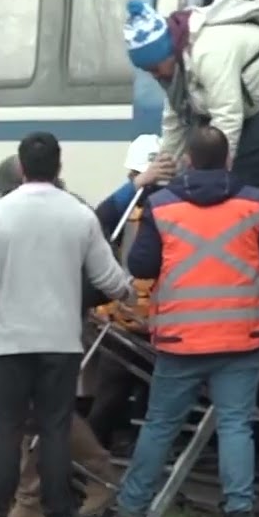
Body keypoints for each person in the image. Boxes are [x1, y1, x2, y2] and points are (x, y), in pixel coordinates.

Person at [101, 126, 259, 517]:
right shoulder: (254, 202)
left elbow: (142, 266)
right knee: (236, 426)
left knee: (160, 425)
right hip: (241, 337)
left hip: (181, 338)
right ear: (227, 161)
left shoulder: (162, 206)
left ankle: (130, 515)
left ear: (186, 161)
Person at [0, 133, 135, 517]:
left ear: (21, 168)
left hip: (8, 345)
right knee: (56, 431)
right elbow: (109, 279)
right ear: (58, 168)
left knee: (7, 433)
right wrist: (132, 293)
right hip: (60, 344)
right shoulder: (78, 216)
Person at [122, 0, 259, 189]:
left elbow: (227, 118)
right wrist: (165, 173)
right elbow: (174, 123)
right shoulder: (177, 66)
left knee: (244, 173)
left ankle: (248, 215)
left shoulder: (208, 52)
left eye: (155, 68)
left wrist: (213, 180)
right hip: (257, 97)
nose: (155, 76)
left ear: (168, 52)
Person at [85, 134, 175, 449]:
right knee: (118, 394)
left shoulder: (155, 209)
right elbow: (100, 220)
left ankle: (109, 449)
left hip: (141, 318)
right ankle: (100, 453)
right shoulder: (132, 209)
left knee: (125, 395)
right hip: (137, 319)